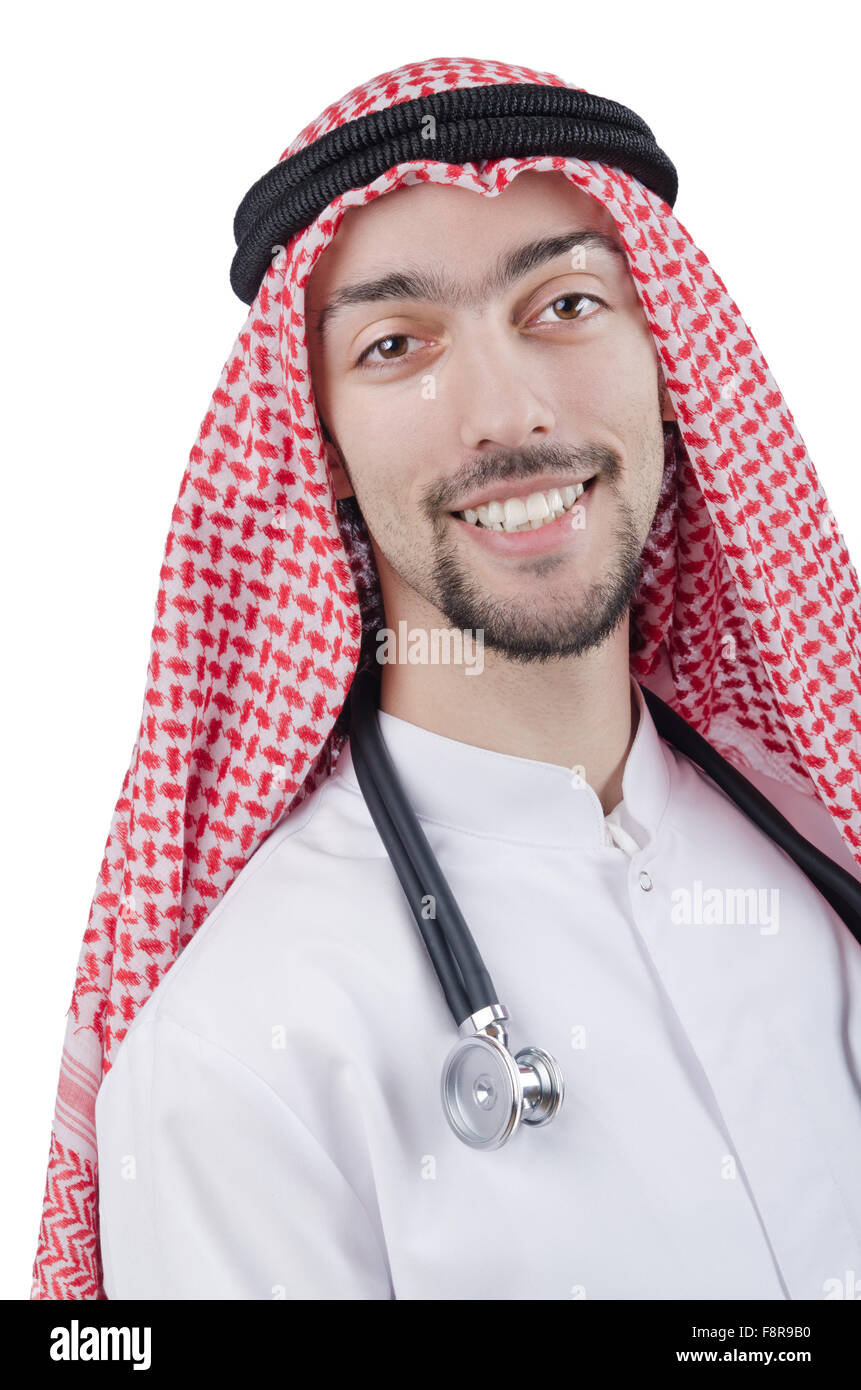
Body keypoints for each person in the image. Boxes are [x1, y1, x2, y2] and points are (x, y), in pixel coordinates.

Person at [31, 55, 861, 1302]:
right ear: (321, 447)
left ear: (669, 361)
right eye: (396, 343)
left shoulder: (819, 862)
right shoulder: (239, 1054)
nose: (506, 410)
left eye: (566, 305)